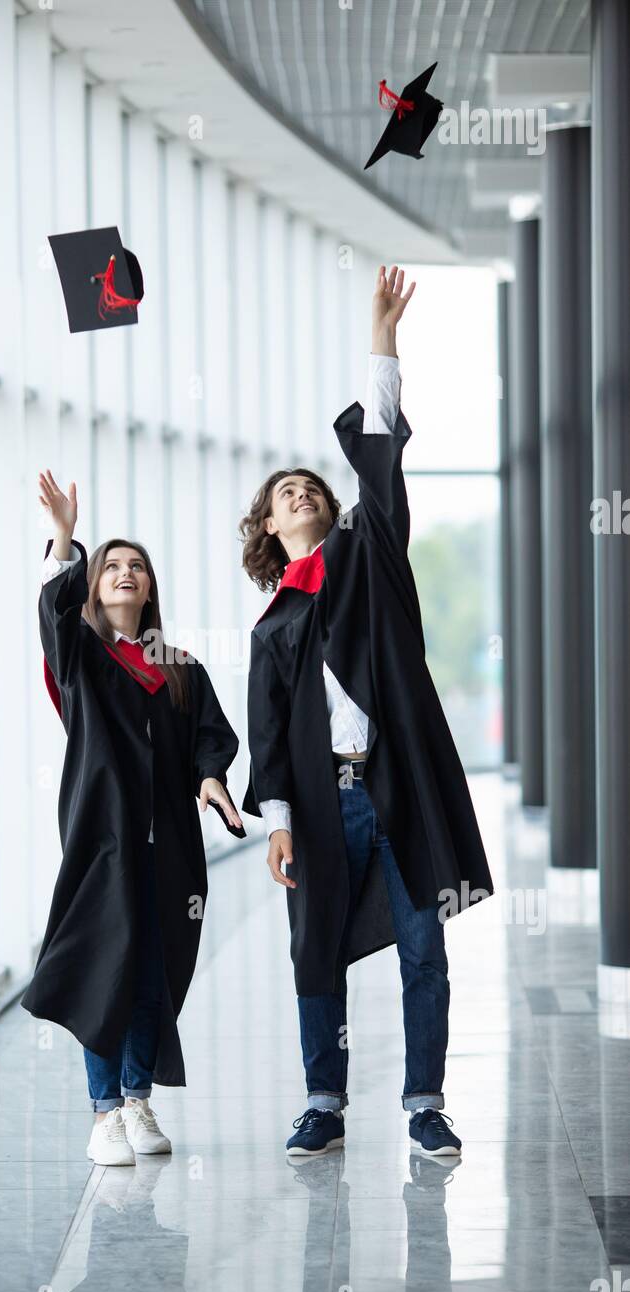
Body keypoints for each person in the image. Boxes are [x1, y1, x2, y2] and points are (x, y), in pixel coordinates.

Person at [240, 265, 494, 1160]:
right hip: (319, 801)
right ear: (268, 527)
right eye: (285, 494)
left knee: (425, 944)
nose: (303, 494)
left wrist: (382, 344)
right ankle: (323, 1100)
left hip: (400, 786)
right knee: (317, 955)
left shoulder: (365, 553)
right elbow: (267, 730)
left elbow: (381, 461)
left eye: (312, 486)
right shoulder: (274, 622)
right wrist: (276, 821)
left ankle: (425, 1102)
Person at [21, 473, 242, 1166]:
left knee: (154, 972)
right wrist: (64, 537)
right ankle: (105, 1112)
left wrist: (211, 777)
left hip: (170, 846)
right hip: (102, 845)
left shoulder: (179, 669)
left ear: (149, 590)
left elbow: (211, 735)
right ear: (95, 587)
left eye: (135, 567)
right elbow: (54, 614)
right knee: (102, 970)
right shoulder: (81, 659)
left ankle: (138, 1096)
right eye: (111, 566)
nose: (123, 573)